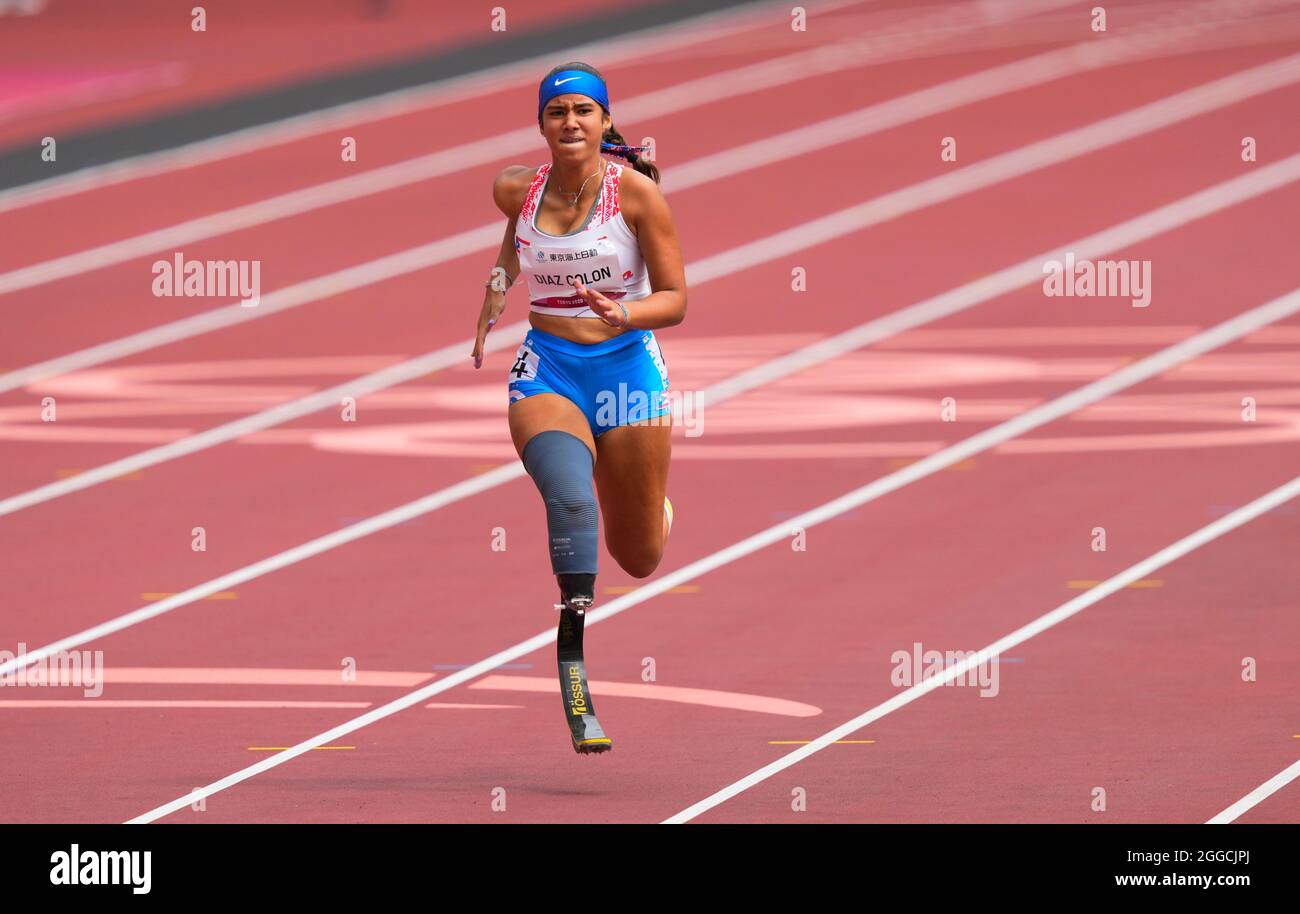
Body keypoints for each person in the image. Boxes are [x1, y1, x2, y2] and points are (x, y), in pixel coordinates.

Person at [470, 61, 687, 753]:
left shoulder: (638, 197)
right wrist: (498, 285)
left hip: (625, 371)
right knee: (570, 501)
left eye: (583, 112)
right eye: (557, 112)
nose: (570, 122)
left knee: (639, 554)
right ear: (540, 124)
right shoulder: (515, 188)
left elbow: (677, 300)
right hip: (550, 367)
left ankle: (648, 504)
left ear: (603, 122)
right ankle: (574, 669)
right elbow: (515, 236)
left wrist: (624, 312)